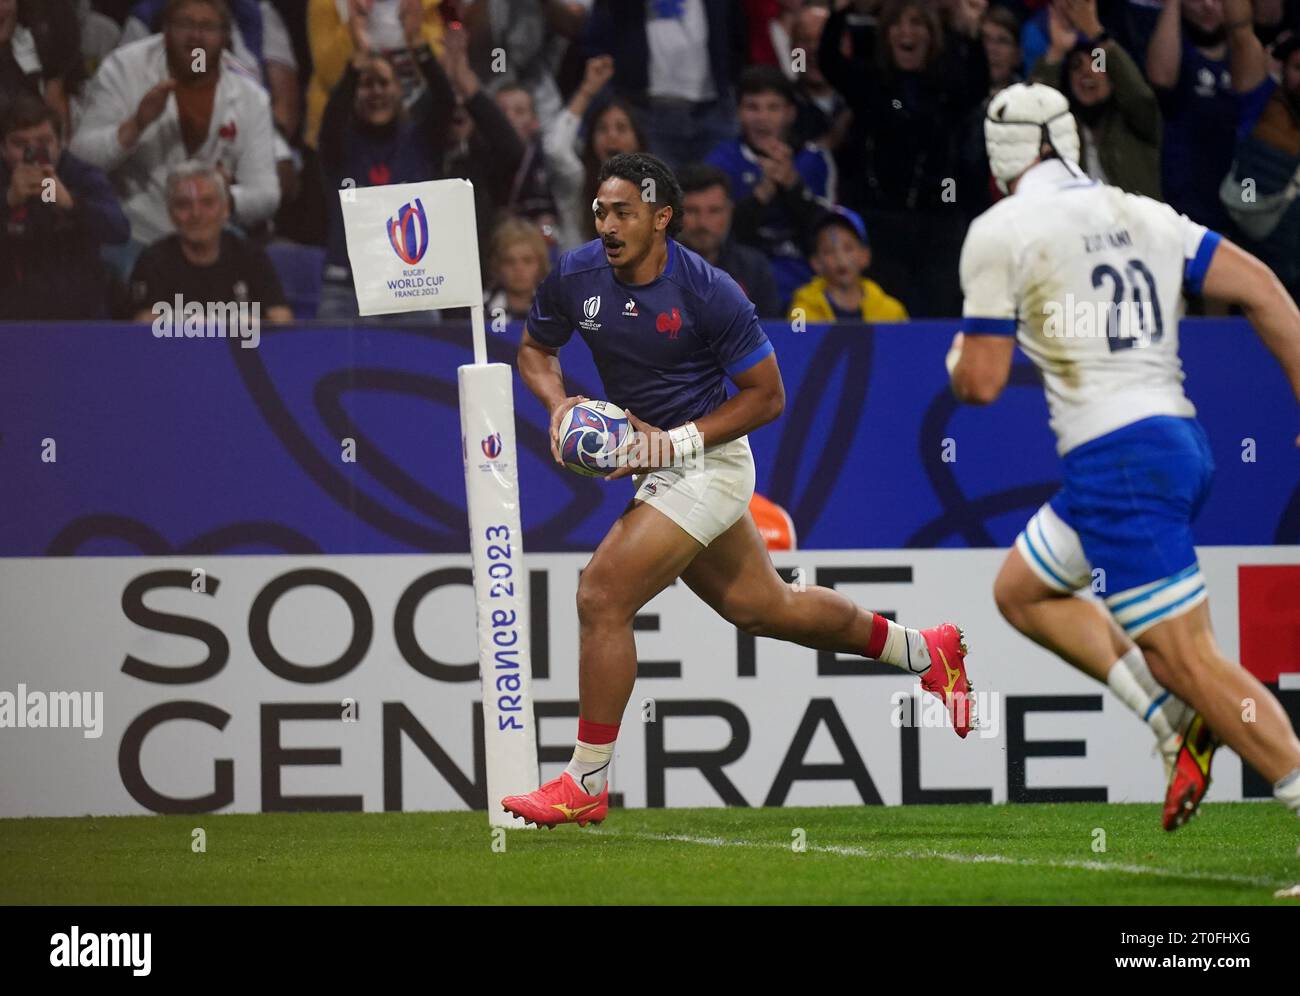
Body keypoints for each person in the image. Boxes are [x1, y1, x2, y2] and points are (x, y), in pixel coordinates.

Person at [501, 152, 976, 827]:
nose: (606, 224)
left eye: (623, 213)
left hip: (710, 465)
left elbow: (769, 397)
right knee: (765, 608)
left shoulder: (709, 291)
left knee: (601, 593)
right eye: (600, 211)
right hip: (655, 464)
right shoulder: (577, 276)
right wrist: (557, 405)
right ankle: (927, 650)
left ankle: (585, 782)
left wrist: (679, 441)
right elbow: (534, 350)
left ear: (662, 218)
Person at [949, 81, 1300, 830]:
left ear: (1001, 152)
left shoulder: (1001, 229)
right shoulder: (1142, 211)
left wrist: (956, 357)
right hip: (1175, 439)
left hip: (1120, 464)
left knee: (1194, 660)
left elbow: (977, 386)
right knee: (1022, 590)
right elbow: (1266, 290)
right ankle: (1173, 721)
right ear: (1070, 138)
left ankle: (1249, 752)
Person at [70, 0, 280, 273]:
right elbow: (78, 160)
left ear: (226, 35)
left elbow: (266, 193)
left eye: (207, 26)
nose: (196, 36)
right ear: (165, 29)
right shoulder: (124, 68)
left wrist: (220, 196)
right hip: (135, 238)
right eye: (185, 24)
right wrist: (135, 126)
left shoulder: (250, 94)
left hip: (212, 241)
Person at [706, 65, 834, 312]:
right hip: (740, 277)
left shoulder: (815, 161)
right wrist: (762, 193)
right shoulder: (720, 162)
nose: (762, 118)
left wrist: (792, 186)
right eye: (752, 107)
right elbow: (713, 233)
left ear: (790, 113)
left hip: (806, 276)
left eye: (773, 108)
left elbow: (828, 231)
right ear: (739, 113)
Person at [0, 93, 128, 319]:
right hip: (11, 320)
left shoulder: (80, 175)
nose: (33, 153)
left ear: (61, 143)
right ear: (3, 149)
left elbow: (118, 230)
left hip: (78, 318)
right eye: (20, 144)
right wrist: (8, 202)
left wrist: (71, 203)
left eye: (43, 142)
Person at [129, 160, 291, 322]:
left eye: (207, 203)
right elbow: (145, 323)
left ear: (226, 209)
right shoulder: (153, 260)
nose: (196, 214)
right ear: (171, 214)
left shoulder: (250, 256)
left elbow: (281, 318)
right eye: (184, 205)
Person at [1031, 0, 1161, 198]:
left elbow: (1139, 95)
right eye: (1076, 66)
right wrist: (1057, 52)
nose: (1086, 72)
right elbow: (1033, 119)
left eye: (1096, 64)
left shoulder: (1137, 122)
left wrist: (1096, 34)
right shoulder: (1063, 131)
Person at [676, 161, 782, 318]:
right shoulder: (652, 270)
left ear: (729, 212)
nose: (703, 223)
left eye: (714, 211)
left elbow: (771, 333)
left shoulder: (754, 269)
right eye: (692, 211)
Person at [788, 208, 908, 322]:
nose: (840, 258)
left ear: (865, 255)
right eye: (829, 251)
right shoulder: (801, 312)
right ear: (816, 263)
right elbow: (795, 340)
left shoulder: (892, 313)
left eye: (848, 248)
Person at [484, 214, 550, 323]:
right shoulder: (479, 308)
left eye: (527, 261)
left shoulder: (554, 309)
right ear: (497, 266)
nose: (518, 269)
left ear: (540, 264)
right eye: (509, 261)